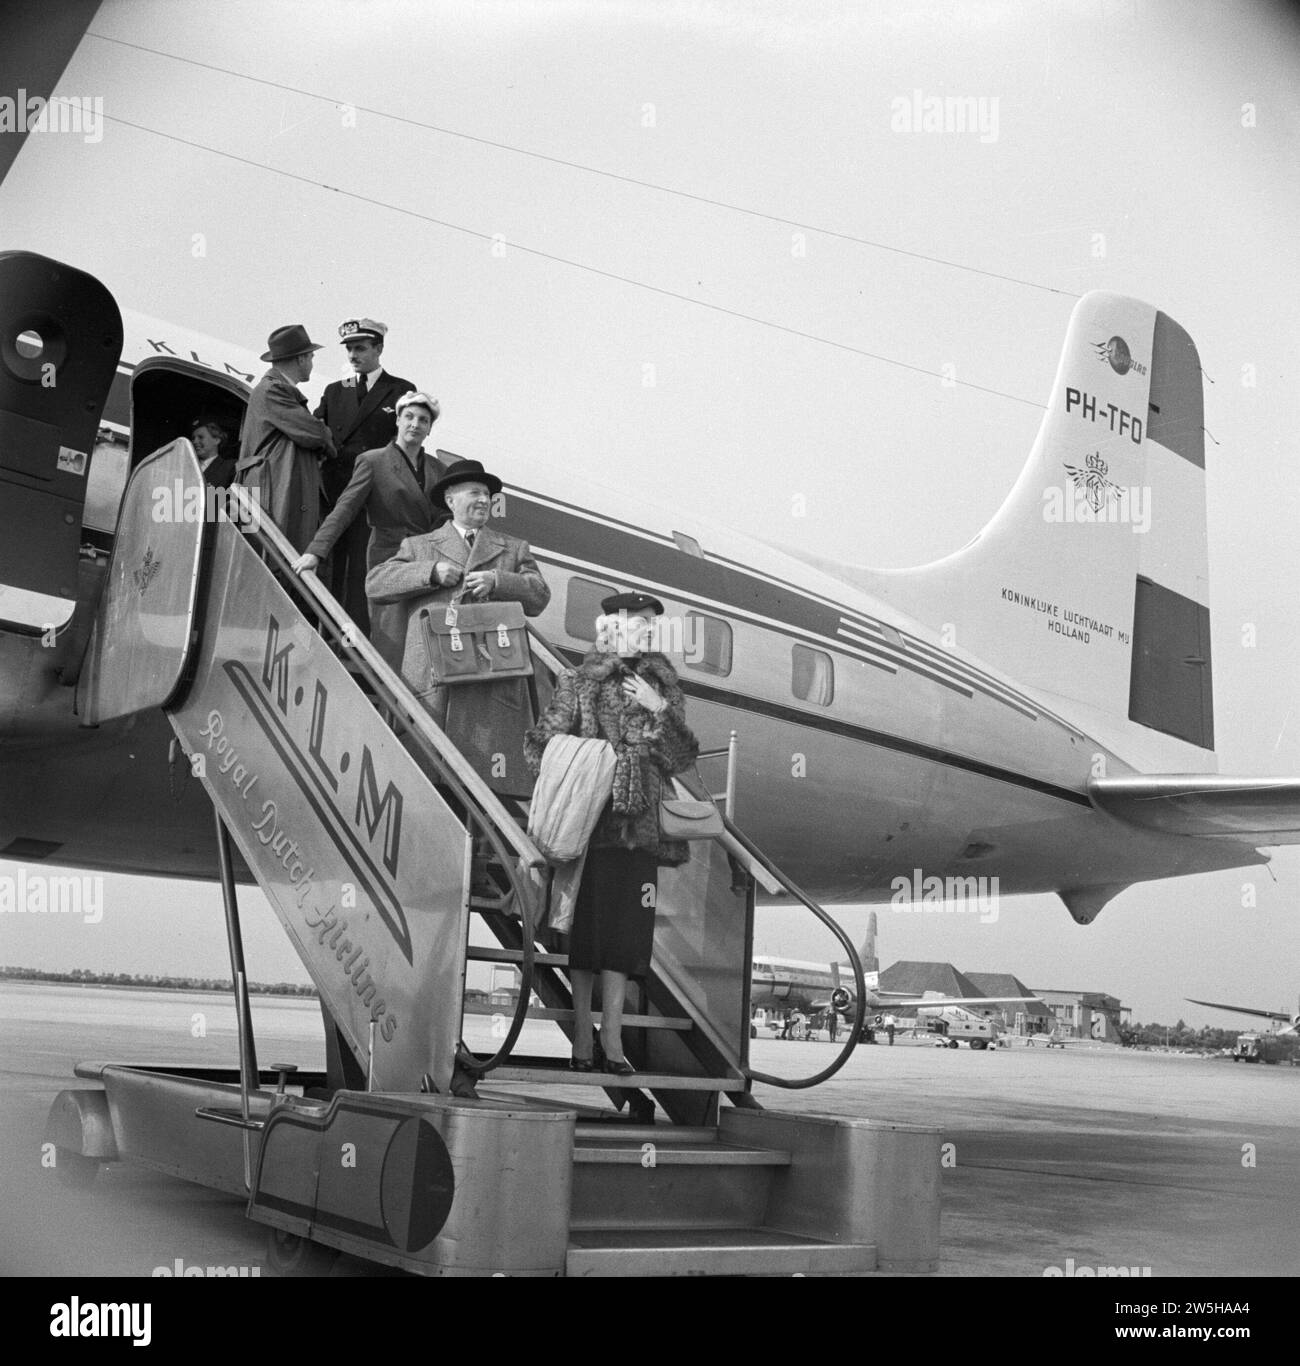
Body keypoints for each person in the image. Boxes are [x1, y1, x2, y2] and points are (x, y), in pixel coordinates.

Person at [523, 592, 699, 1076]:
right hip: (589, 825)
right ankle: (583, 1036)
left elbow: (682, 758)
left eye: (650, 624)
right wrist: (592, 761)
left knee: (625, 940)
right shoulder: (579, 681)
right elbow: (539, 745)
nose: (645, 631)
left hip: (639, 832)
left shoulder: (662, 683)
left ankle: (613, 1038)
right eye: (636, 623)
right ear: (611, 628)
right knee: (584, 936)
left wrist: (658, 707)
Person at [365, 459, 550, 723]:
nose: (485, 500)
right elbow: (376, 583)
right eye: (475, 492)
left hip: (492, 685)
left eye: (487, 494)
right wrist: (430, 572)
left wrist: (498, 581)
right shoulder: (418, 547)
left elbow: (540, 597)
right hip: (432, 685)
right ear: (450, 500)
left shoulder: (514, 548)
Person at [292, 391, 451, 667]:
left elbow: (445, 519)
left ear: (429, 429)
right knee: (389, 641)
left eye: (423, 420)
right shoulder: (373, 461)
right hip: (389, 560)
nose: (415, 424)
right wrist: (315, 553)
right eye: (409, 417)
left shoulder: (438, 469)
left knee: (421, 643)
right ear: (398, 421)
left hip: (428, 563)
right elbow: (345, 509)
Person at [314, 319, 415, 630]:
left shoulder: (400, 390)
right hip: (335, 491)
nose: (353, 355)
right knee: (329, 560)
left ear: (378, 349)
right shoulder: (335, 391)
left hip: (372, 493)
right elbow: (317, 429)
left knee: (361, 565)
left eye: (360, 348)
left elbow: (405, 443)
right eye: (349, 349)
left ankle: (352, 635)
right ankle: (323, 628)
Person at [235, 324, 336, 551]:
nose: (311, 363)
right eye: (310, 357)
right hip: (276, 493)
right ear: (300, 359)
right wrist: (324, 435)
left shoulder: (276, 389)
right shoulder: (273, 390)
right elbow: (316, 433)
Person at [190, 415, 237, 488]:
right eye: (193, 438)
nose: (195, 442)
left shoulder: (230, 467)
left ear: (216, 440)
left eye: (200, 437)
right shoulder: (187, 466)